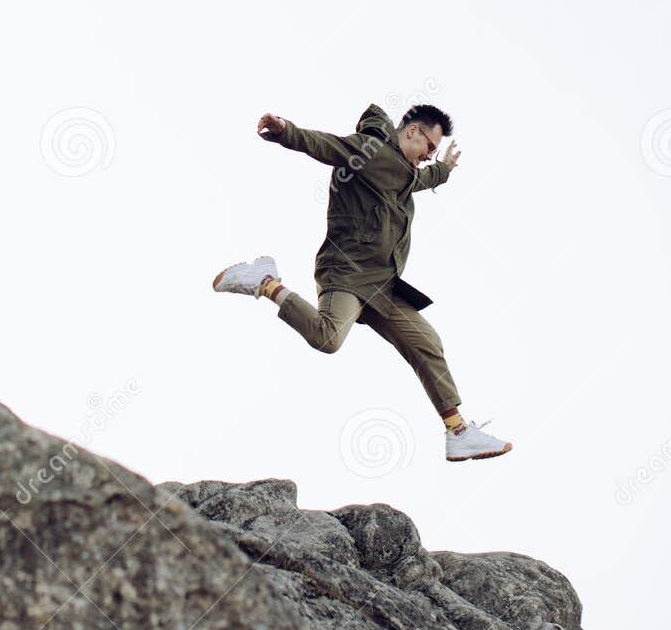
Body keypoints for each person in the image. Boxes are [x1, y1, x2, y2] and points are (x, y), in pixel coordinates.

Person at [212, 101, 512, 462]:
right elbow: (327, 145)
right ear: (412, 131)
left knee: (427, 342)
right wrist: (285, 132)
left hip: (381, 284)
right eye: (428, 148)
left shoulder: (405, 174)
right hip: (346, 272)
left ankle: (458, 431)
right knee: (327, 337)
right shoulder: (369, 150)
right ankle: (264, 281)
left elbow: (422, 178)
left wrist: (444, 169)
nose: (428, 157)